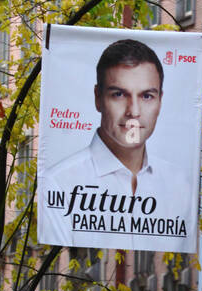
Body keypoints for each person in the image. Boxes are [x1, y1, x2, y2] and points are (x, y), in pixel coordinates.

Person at [42, 38, 191, 237]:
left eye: (147, 96)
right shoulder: (58, 182)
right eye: (119, 94)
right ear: (98, 98)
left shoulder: (180, 185)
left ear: (160, 101)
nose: (134, 112)